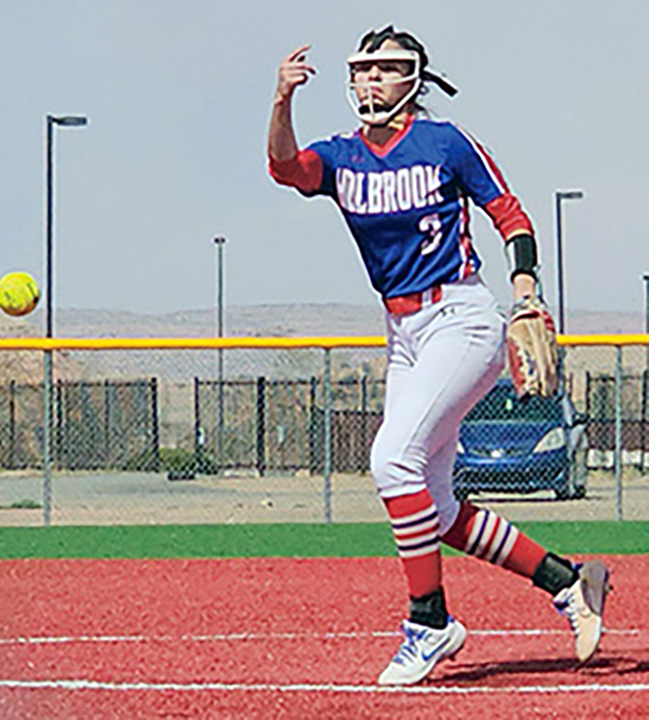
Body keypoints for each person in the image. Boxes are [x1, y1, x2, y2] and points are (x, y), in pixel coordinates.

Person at [268, 25, 610, 686]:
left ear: (413, 79)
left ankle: (429, 623)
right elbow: (285, 169)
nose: (369, 81)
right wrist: (281, 101)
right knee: (439, 507)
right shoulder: (342, 157)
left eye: (386, 69)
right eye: (362, 70)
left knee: (391, 460)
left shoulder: (444, 141)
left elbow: (509, 213)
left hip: (461, 316)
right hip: (402, 333)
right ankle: (570, 582)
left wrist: (525, 290)